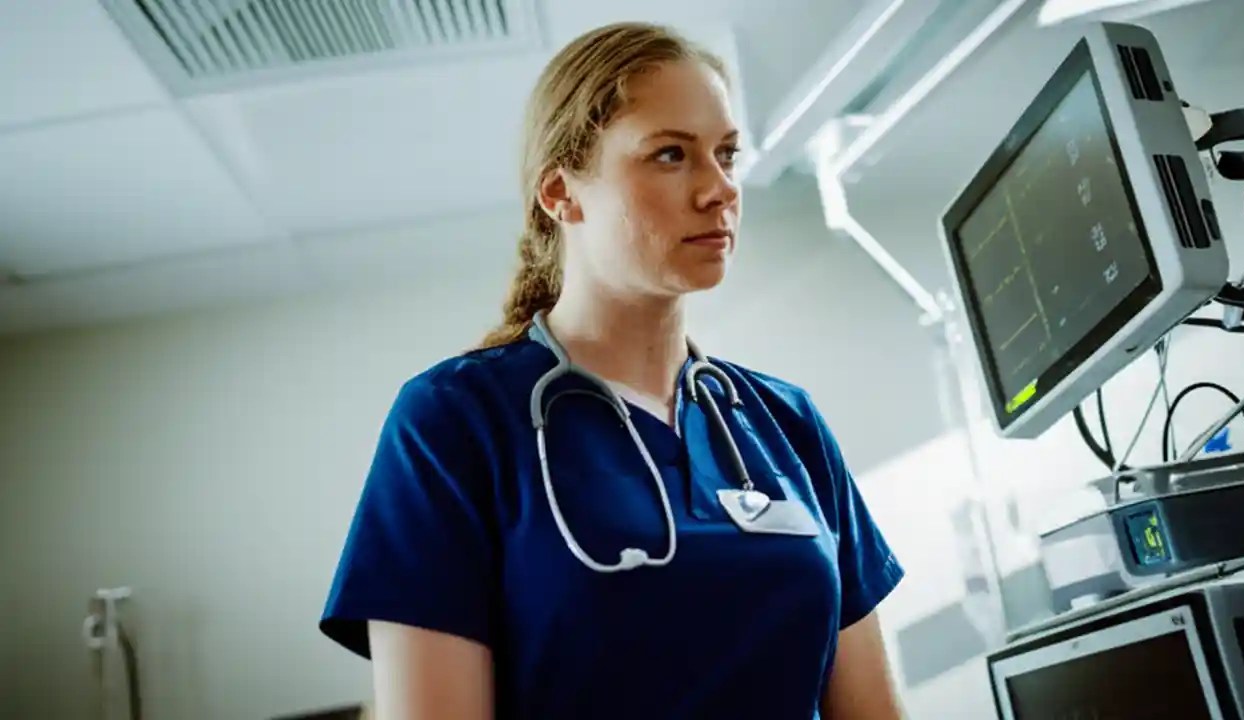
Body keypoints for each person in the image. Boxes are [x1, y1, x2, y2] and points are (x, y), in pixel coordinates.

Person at [320, 21, 906, 720]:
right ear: (562, 194)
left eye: (726, 154)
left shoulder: (786, 423)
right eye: (669, 155)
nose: (719, 188)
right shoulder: (455, 420)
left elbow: (872, 710)